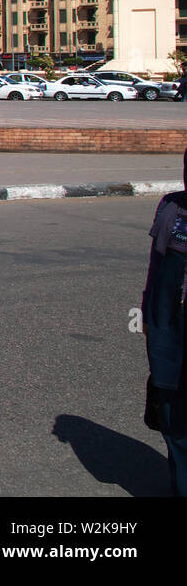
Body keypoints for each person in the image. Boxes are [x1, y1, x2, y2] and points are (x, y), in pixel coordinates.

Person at [143, 151, 187, 495]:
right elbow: (156, 265)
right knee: (172, 414)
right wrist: (147, 310)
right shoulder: (170, 207)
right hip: (168, 325)